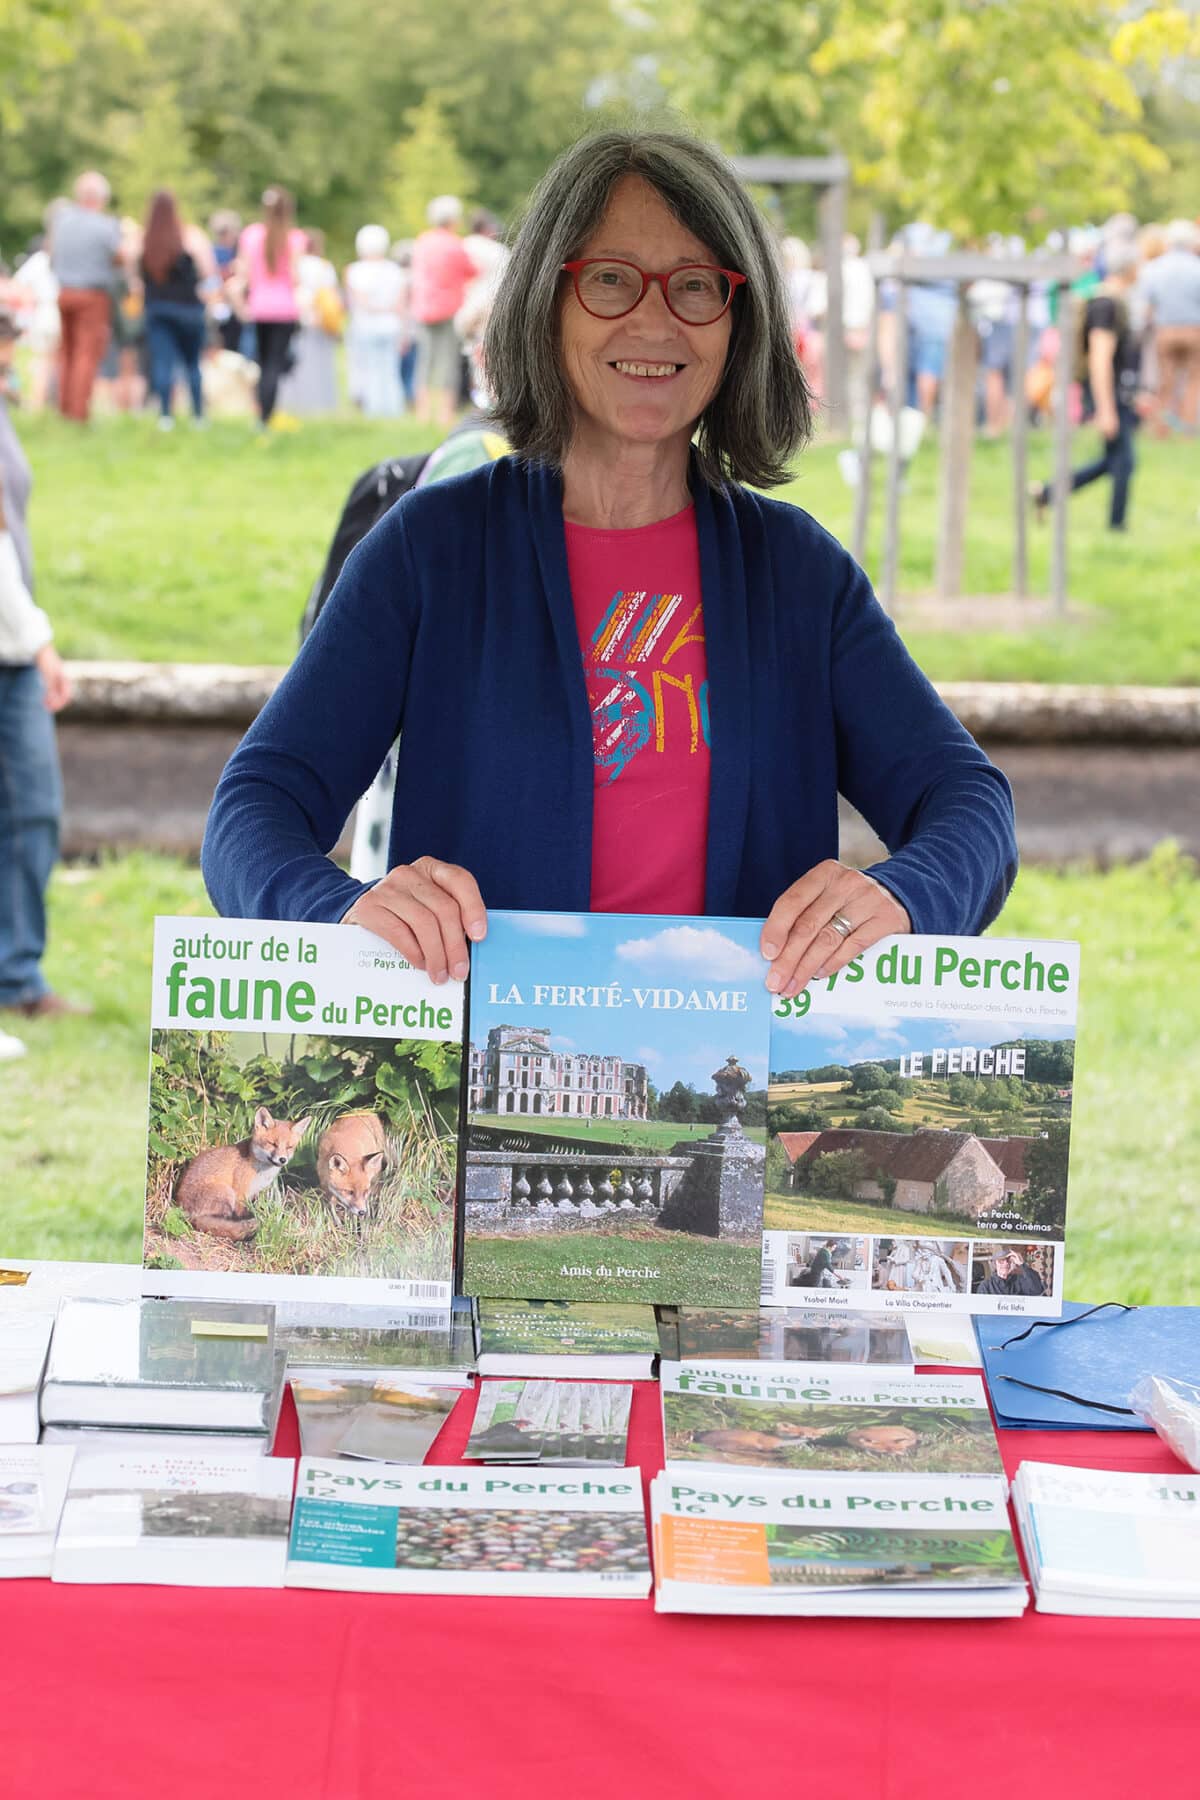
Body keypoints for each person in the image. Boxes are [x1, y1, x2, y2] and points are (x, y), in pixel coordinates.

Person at [202, 129, 1016, 998]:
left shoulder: (797, 574)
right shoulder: (431, 550)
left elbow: (970, 805)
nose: (656, 319)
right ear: (546, 300)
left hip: (731, 1099)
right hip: (483, 1097)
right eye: (610, 278)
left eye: (698, 285)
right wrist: (334, 912)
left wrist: (903, 895)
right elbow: (252, 810)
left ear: (739, 323)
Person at [0, 310, 86, 1023]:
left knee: (32, 815)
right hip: (16, 643)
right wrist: (41, 639)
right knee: (28, 811)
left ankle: (18, 976)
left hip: (15, 651)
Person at [1031, 242, 1143, 532]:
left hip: (1112, 392)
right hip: (1107, 392)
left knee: (1117, 461)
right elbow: (1100, 359)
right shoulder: (1106, 304)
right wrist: (1106, 409)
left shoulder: (1110, 300)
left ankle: (1048, 493)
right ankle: (1116, 527)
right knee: (1124, 461)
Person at [49, 171, 122, 422]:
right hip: (92, 295)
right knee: (85, 354)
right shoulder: (105, 225)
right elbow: (119, 257)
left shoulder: (61, 221)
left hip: (64, 291)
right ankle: (78, 414)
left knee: (66, 352)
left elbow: (51, 254)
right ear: (98, 198)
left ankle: (64, 408)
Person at [140, 191, 212, 429]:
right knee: (192, 363)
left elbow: (134, 277)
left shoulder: (144, 240)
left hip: (158, 309)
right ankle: (198, 415)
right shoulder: (191, 237)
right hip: (189, 310)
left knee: (163, 363)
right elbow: (208, 272)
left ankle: (165, 415)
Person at [237, 188, 306, 426]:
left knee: (263, 362)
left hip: (259, 308)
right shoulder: (295, 238)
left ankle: (261, 416)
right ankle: (267, 415)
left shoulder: (252, 235)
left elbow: (245, 273)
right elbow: (296, 277)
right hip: (284, 309)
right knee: (274, 365)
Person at [410, 195, 476, 428]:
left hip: (424, 307)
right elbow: (471, 271)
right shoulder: (455, 244)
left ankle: (423, 411)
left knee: (425, 360)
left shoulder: (422, 242)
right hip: (449, 308)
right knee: (448, 360)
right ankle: (445, 414)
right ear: (452, 219)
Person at [1140, 219, 1200, 433]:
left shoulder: (1154, 268)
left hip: (1164, 330)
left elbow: (1146, 305)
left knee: (1165, 381)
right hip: (1194, 330)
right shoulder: (1197, 266)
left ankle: (1161, 428)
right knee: (1194, 381)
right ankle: (1187, 427)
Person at [278, 229, 341, 416]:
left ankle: (293, 404)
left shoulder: (291, 265)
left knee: (295, 366)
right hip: (319, 321)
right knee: (320, 367)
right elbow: (332, 296)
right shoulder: (323, 266)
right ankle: (320, 405)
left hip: (294, 319)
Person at [344, 225, 404, 416]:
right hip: (391, 324)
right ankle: (394, 409)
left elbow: (360, 302)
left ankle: (374, 410)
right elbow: (400, 304)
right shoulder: (394, 271)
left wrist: (376, 308)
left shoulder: (354, 271)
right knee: (390, 369)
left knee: (369, 368)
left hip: (366, 325)